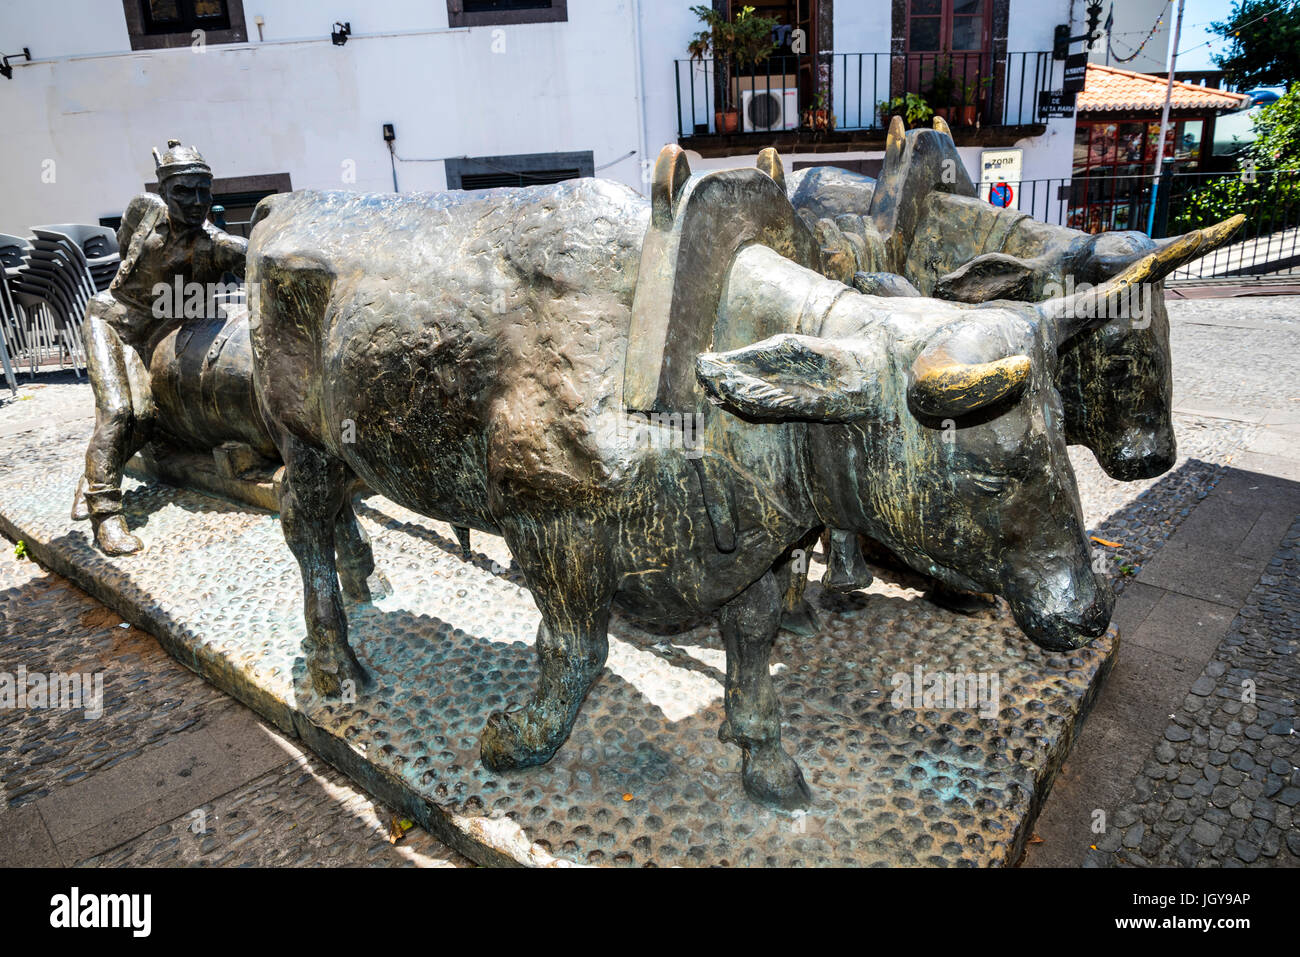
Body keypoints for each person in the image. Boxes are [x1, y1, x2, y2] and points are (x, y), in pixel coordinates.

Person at [72, 140, 248, 555]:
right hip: (112, 318)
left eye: (204, 191)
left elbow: (254, 260)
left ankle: (97, 471)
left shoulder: (215, 244)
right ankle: (106, 515)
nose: (196, 202)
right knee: (119, 410)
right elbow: (124, 247)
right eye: (184, 191)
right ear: (164, 191)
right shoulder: (143, 209)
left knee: (147, 415)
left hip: (157, 333)